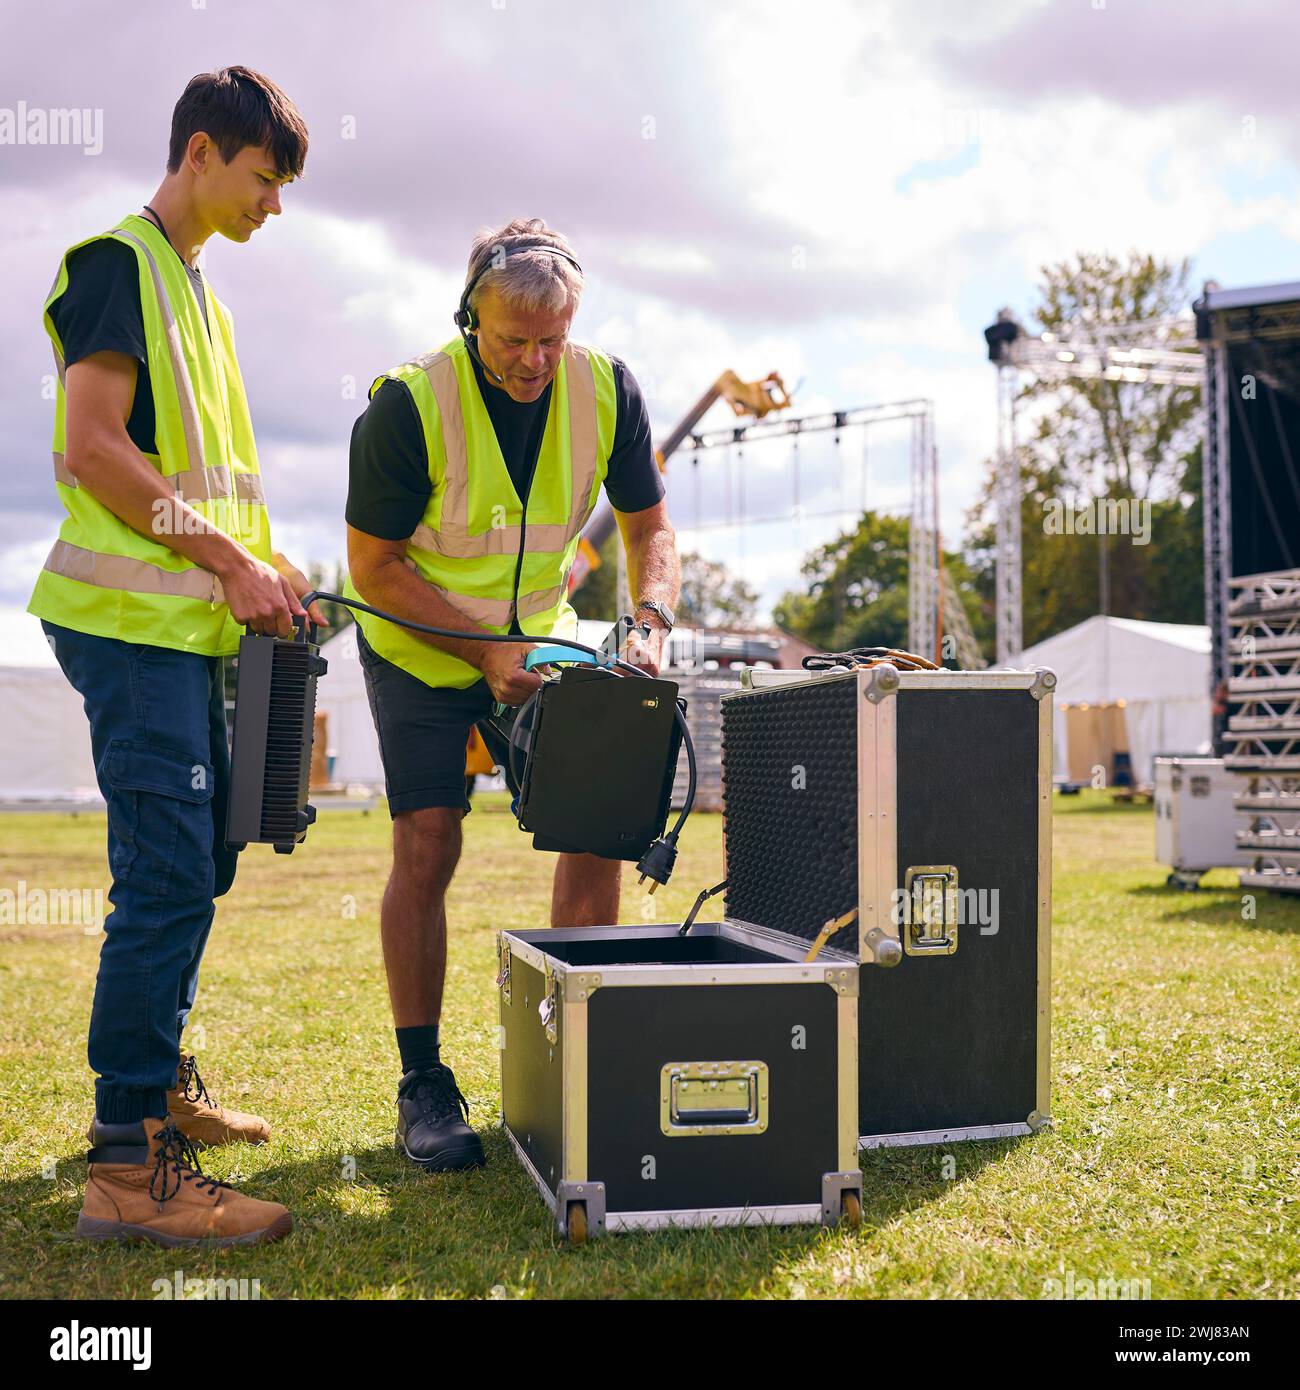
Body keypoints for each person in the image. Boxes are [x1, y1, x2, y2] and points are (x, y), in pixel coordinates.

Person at [27, 66, 325, 1247]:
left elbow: (196, 481)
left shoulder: (202, 295)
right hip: (127, 624)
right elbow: (96, 452)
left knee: (201, 861)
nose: (275, 205)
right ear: (201, 152)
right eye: (265, 179)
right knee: (162, 877)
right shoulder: (115, 265)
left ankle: (157, 1097)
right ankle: (125, 1167)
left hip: (184, 627)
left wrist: (268, 565)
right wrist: (228, 567)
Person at [346, 217, 680, 1172]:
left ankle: (581, 1048)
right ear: (469, 319)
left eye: (552, 340)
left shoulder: (607, 388)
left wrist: (648, 623)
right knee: (428, 840)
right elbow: (373, 567)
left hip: (535, 636)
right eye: (511, 341)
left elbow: (650, 527)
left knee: (601, 812)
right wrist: (485, 649)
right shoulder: (407, 406)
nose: (534, 361)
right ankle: (424, 1083)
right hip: (416, 642)